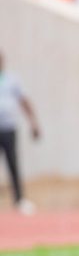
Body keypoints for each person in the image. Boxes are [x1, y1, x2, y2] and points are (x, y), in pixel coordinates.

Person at [0, 51, 41, 214]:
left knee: (13, 163)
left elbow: (23, 100)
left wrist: (33, 122)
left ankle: (19, 199)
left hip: (9, 127)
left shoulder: (12, 80)